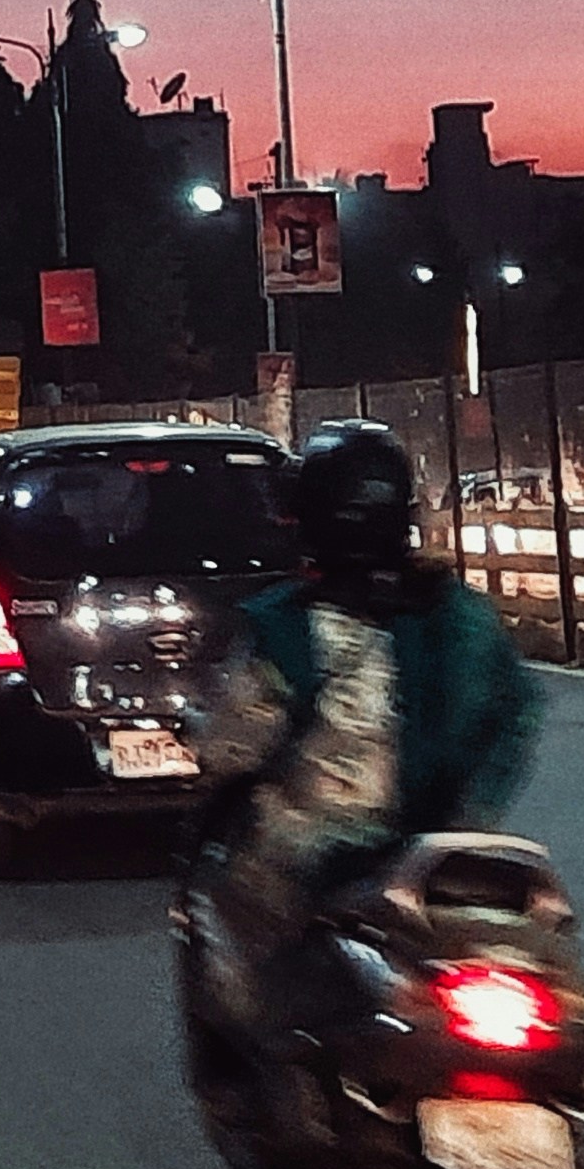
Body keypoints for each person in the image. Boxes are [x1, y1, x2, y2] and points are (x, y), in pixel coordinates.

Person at [182, 424, 543, 1056]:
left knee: (234, 924)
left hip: (321, 847)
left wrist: (211, 753)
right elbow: (514, 713)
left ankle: (271, 1070)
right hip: (446, 845)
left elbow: (234, 742)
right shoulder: (460, 614)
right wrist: (467, 803)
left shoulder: (283, 624)